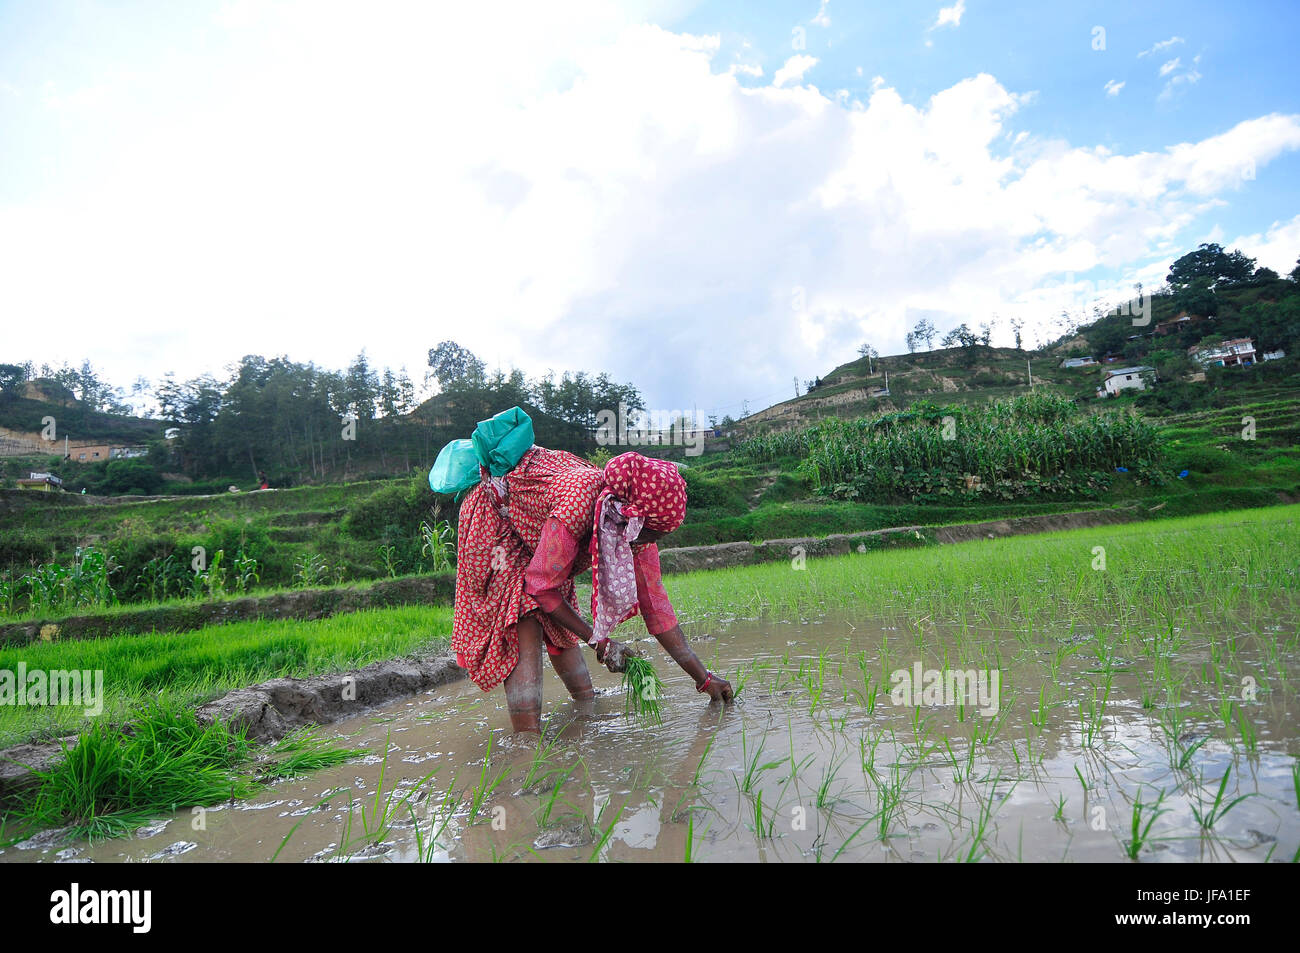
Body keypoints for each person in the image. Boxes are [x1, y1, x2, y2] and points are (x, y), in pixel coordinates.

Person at [438, 407, 733, 735]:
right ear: (634, 517)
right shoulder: (578, 505)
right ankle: (526, 742)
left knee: (560, 616)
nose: (653, 542)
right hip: (496, 523)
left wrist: (704, 679)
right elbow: (540, 588)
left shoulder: (634, 528)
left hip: (536, 529)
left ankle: (585, 705)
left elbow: (658, 613)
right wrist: (600, 642)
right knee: (524, 609)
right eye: (655, 534)